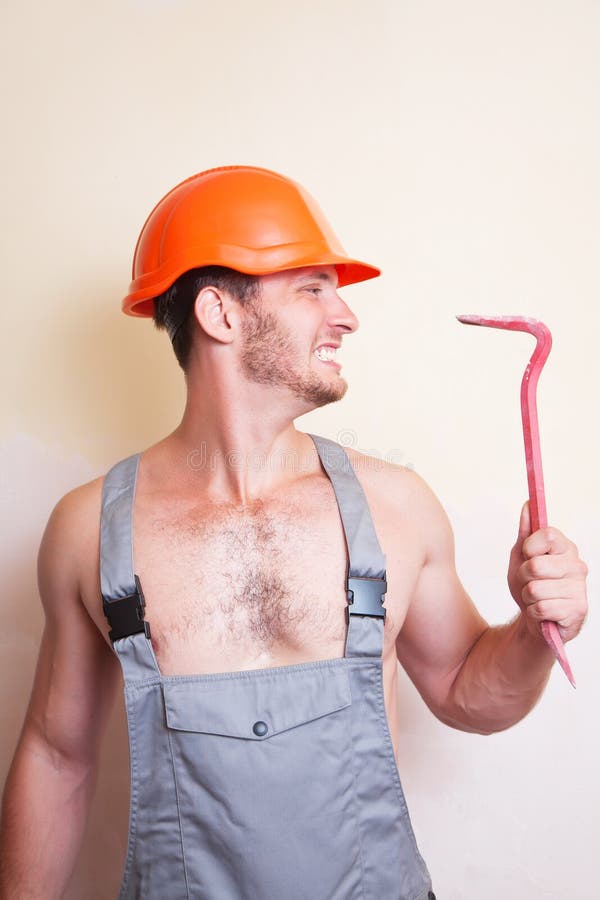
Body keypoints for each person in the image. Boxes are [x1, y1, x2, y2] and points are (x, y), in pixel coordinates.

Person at [0, 166, 588, 900]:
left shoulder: (395, 508)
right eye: (312, 288)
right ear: (220, 313)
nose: (345, 316)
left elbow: (471, 694)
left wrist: (537, 628)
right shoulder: (88, 530)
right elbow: (58, 759)